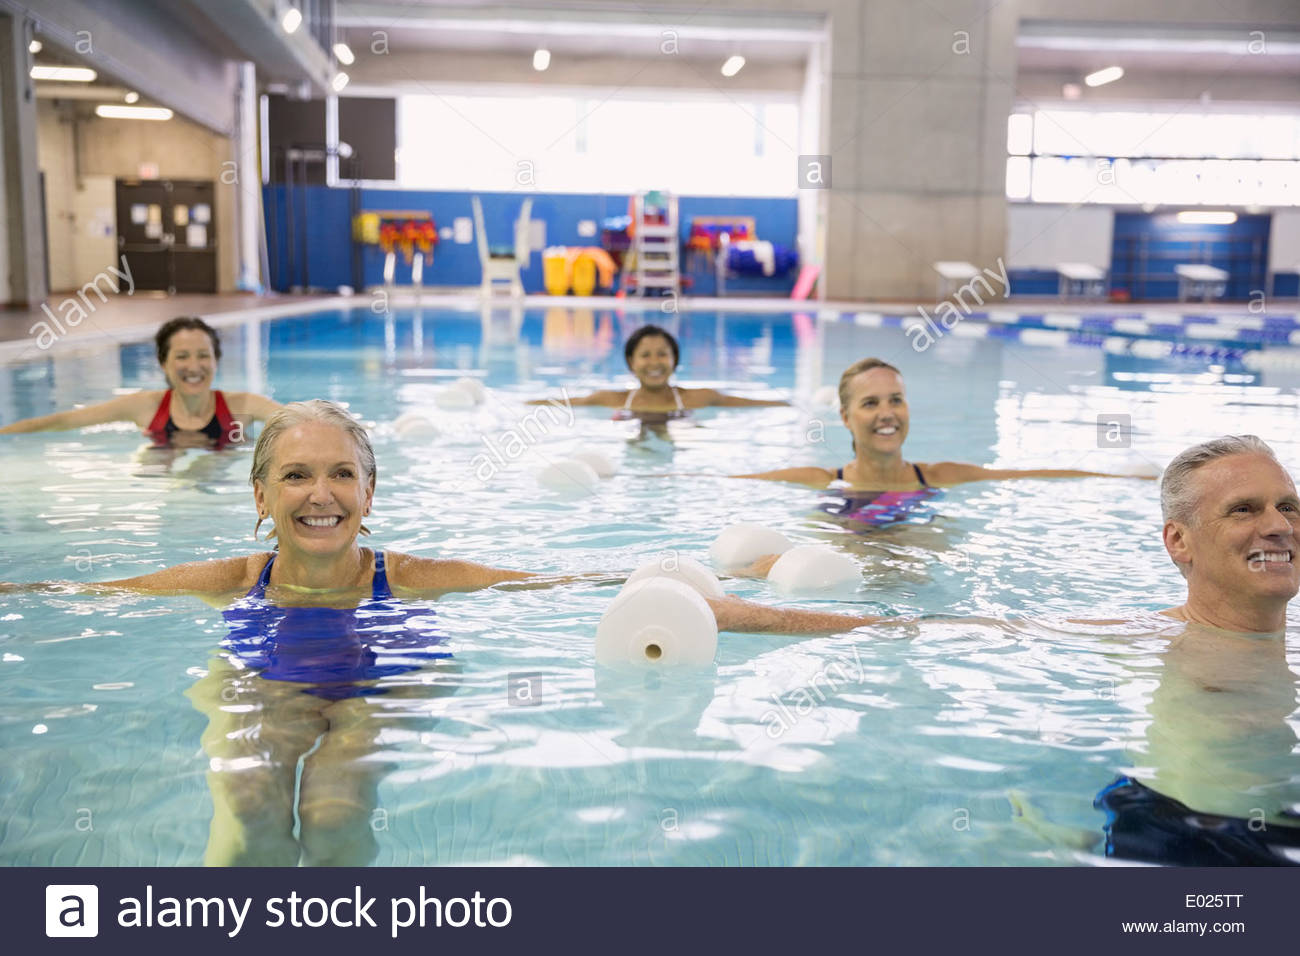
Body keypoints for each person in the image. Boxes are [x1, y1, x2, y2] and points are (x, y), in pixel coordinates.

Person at [4, 400, 880, 865]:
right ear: (261, 498)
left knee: (337, 804)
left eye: (342, 474)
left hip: (385, 677)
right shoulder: (231, 581)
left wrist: (758, 594)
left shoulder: (410, 576)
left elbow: (583, 583)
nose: (322, 494)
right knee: (251, 801)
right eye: (298, 475)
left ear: (370, 494)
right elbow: (76, 593)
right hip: (266, 673)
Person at [1091, 435, 1300, 865]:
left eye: (1288, 506)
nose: (1280, 526)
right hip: (1178, 832)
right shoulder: (1151, 635)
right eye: (1243, 509)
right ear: (1179, 542)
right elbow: (988, 631)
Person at [735, 357, 1149, 528]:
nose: (887, 413)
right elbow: (732, 481)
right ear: (845, 418)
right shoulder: (822, 481)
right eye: (870, 403)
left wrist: (1120, 474)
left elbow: (1025, 474)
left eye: (896, 400)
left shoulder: (938, 476)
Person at [0, 316, 281, 447]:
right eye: (182, 356)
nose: (194, 367)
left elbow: (299, 421)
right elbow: (66, 421)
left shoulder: (242, 406)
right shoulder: (144, 407)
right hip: (164, 480)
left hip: (221, 481)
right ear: (163, 363)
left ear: (216, 360)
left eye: (203, 356)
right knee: (152, 463)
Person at [528, 325, 788, 421]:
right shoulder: (610, 399)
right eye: (645, 355)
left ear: (675, 360)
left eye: (662, 354)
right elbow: (566, 403)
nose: (655, 363)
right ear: (631, 362)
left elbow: (747, 404)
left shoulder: (699, 398)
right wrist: (524, 403)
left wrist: (786, 404)